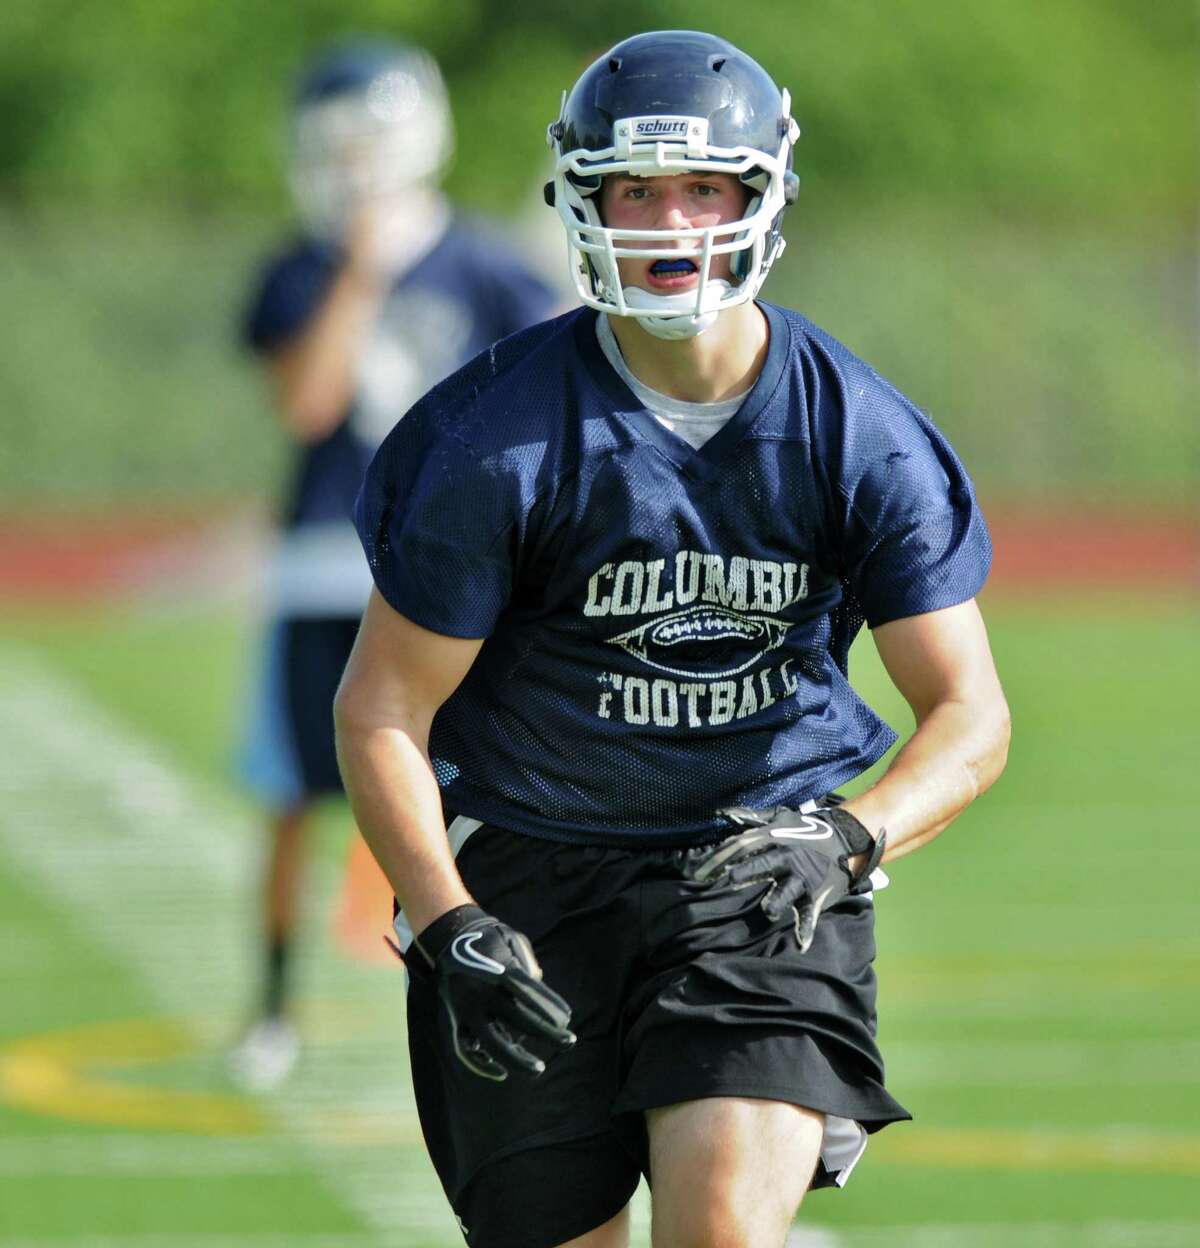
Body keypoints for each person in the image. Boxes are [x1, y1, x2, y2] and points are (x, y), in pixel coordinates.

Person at [335, 29, 1010, 1248]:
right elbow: (383, 707)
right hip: (531, 873)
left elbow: (970, 710)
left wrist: (851, 834)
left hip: (755, 873)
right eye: (634, 190)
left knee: (719, 1235)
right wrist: (445, 921)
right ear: (579, 200)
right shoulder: (497, 438)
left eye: (703, 186)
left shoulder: (855, 428)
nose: (669, 221)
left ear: (762, 197)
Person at [231, 38, 558, 1090]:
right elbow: (310, 403)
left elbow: (545, 398)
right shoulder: (301, 267)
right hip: (323, 559)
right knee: (293, 793)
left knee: (485, 785)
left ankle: (498, 978)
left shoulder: (489, 264)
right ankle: (273, 1009)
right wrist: (363, 269)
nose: (347, 165)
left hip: (458, 569)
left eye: (364, 141)